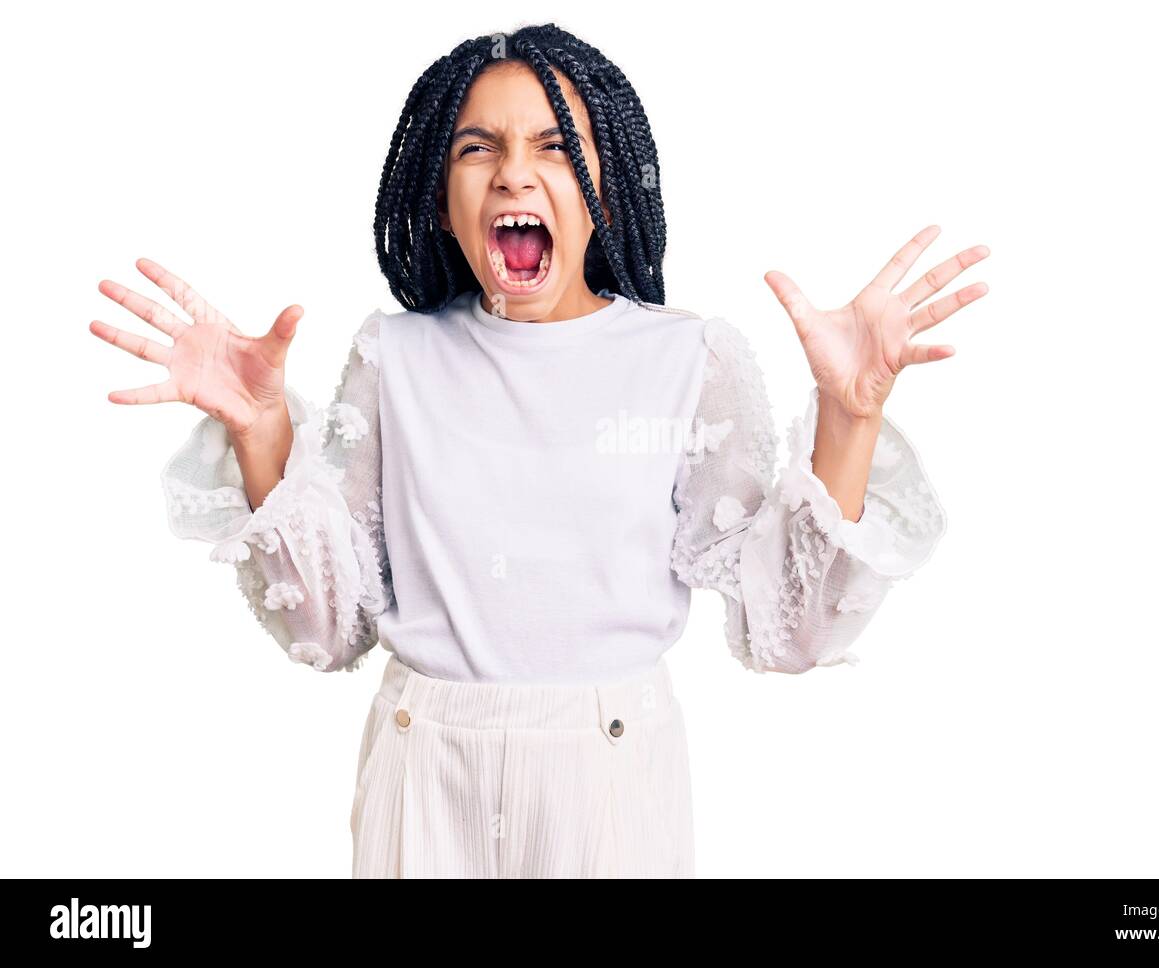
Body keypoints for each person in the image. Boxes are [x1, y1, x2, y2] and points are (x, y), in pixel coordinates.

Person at [88, 23, 988, 878]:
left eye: (556, 145)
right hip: (421, 767)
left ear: (605, 186)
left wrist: (848, 416)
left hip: (610, 782)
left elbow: (789, 634)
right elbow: (328, 631)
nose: (515, 173)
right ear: (442, 198)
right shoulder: (393, 357)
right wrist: (260, 430)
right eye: (478, 148)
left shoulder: (687, 360)